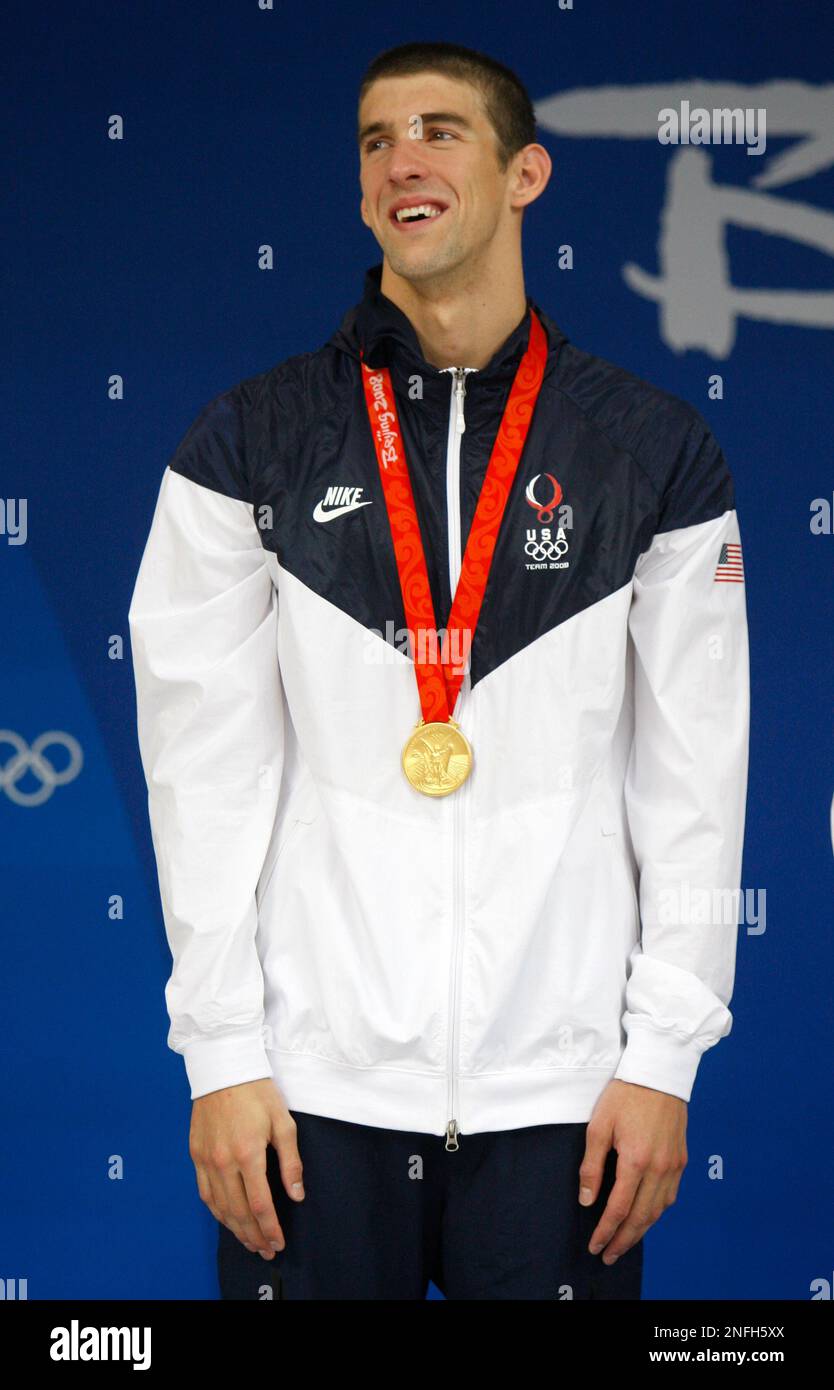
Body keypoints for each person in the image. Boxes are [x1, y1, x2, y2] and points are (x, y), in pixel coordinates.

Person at [128, 40, 750, 1301]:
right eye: (374, 140)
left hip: (565, 1106)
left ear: (526, 173)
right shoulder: (249, 441)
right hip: (309, 1098)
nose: (401, 158)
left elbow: (695, 780)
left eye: (438, 130)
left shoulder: (655, 451)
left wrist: (664, 1057)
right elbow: (204, 775)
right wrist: (221, 1056)